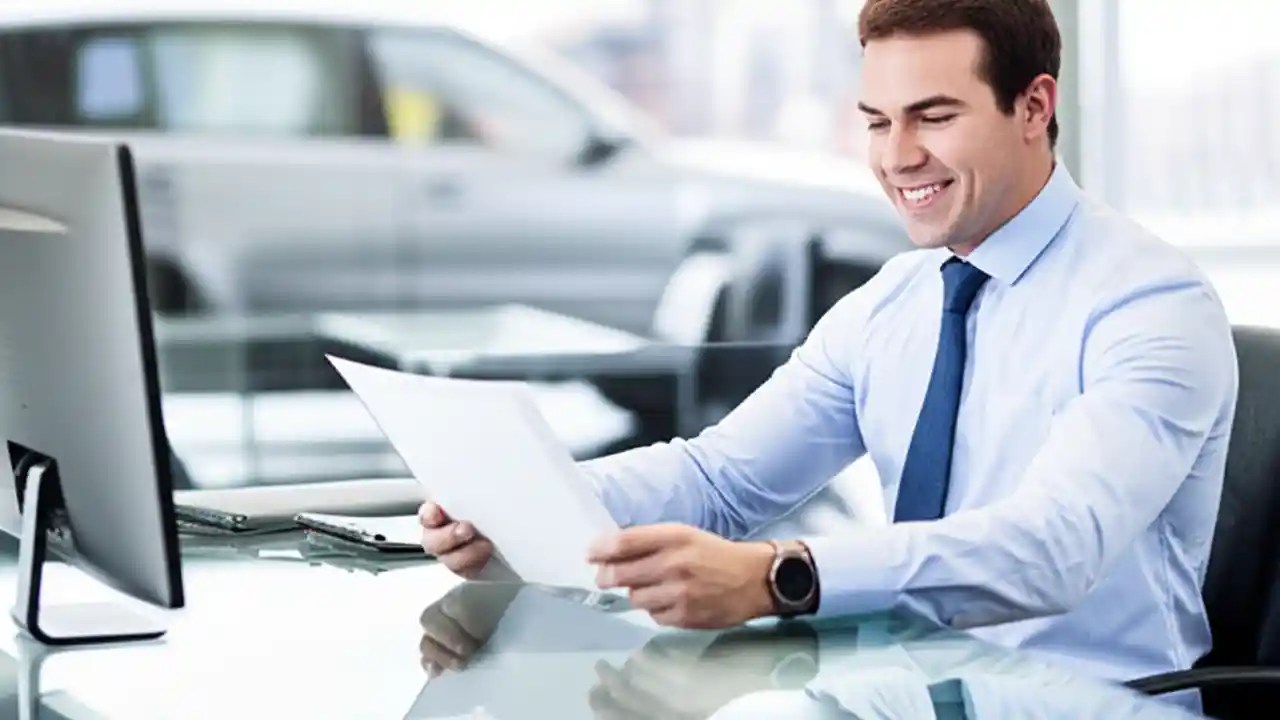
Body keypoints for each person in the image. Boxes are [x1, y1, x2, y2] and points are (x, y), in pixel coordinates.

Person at [419, 0, 1238, 689]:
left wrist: (780, 575)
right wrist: (522, 505)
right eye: (878, 122)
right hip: (896, 691)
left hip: (1087, 705)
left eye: (935, 116)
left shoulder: (1146, 303)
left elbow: (1051, 549)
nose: (897, 156)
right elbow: (720, 480)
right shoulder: (892, 303)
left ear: (1033, 106)